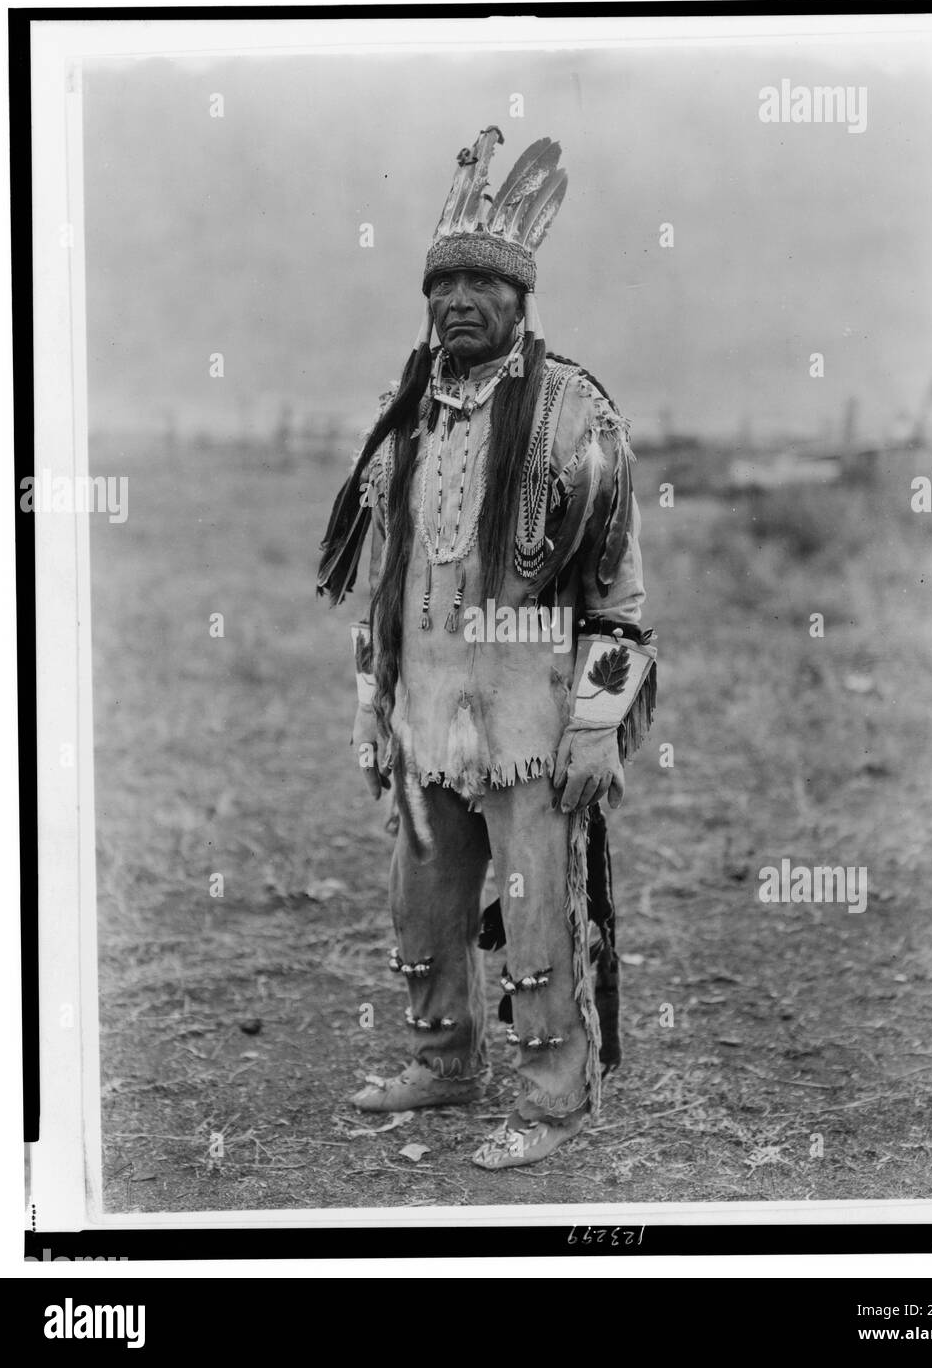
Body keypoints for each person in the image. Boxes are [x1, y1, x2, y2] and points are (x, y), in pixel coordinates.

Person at [317, 126, 656, 1169]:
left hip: (528, 722)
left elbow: (621, 596)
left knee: (538, 909)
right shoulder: (405, 416)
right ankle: (442, 1058)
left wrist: (597, 723)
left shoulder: (571, 413)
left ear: (520, 297)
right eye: (442, 282)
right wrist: (374, 706)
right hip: (426, 718)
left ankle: (555, 1100)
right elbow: (380, 590)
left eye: (480, 281)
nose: (457, 299)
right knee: (421, 904)